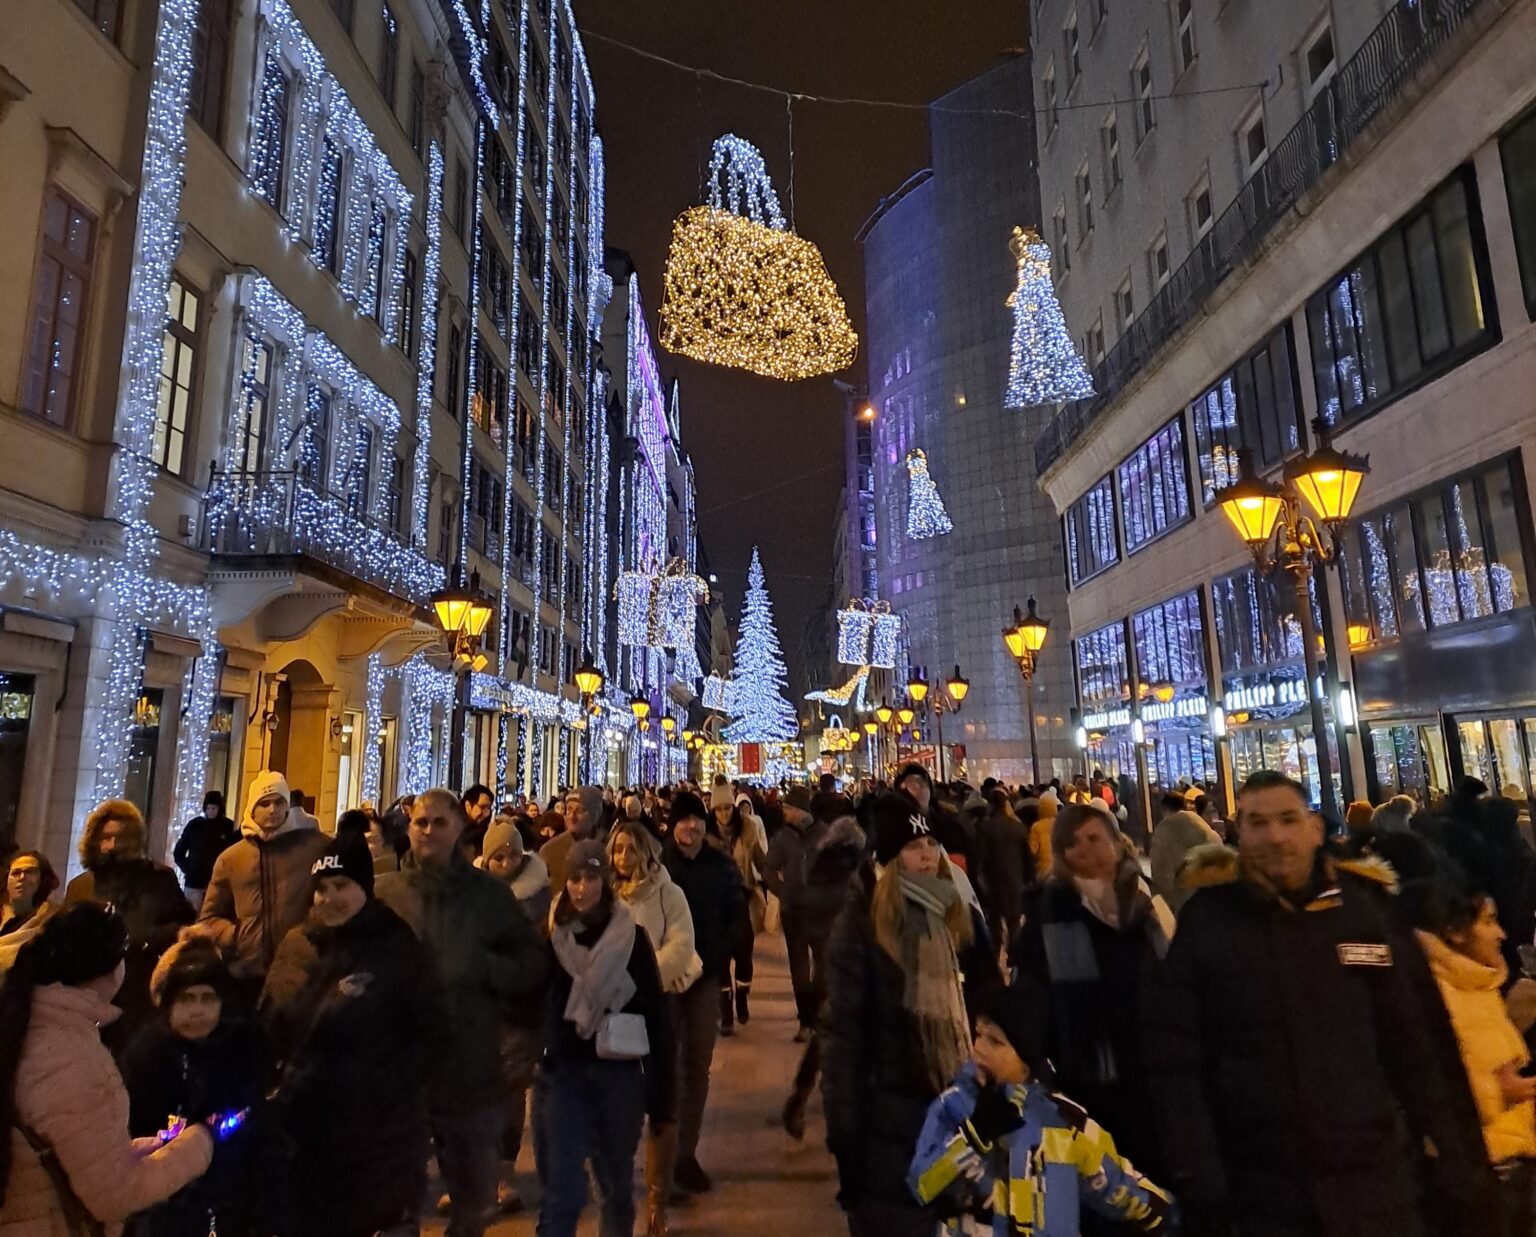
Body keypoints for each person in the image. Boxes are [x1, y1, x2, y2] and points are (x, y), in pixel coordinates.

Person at [1145, 769, 1495, 1237]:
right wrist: (1201, 1178)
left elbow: (1418, 1041)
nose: (1275, 836)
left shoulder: (1363, 912)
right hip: (1261, 1193)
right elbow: (1175, 1058)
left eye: (1288, 819)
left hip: (1374, 1185)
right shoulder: (1209, 923)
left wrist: (1459, 1156)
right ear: (1237, 833)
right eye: (1258, 822)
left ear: (1314, 828)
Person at [821, 792, 998, 1237]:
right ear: (889, 859)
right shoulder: (862, 926)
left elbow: (987, 999)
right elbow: (843, 1040)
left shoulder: (955, 911)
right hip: (889, 1121)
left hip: (955, 1108)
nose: (927, 856)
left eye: (931, 845)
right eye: (913, 848)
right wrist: (846, 1141)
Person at [376, 788, 549, 1237]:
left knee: (473, 1198)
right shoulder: (386, 893)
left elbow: (530, 965)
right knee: (392, 1199)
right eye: (420, 823)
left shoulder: (488, 896)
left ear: (458, 829)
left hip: (469, 1063)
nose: (429, 831)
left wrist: (485, 968)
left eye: (439, 823)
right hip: (400, 1068)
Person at [261, 836, 442, 1237]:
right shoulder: (299, 945)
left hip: (378, 1138)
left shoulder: (395, 946)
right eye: (322, 889)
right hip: (307, 1134)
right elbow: (274, 1027)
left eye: (341, 886)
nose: (329, 898)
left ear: (364, 885)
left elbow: (426, 1033)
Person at [0, 904, 215, 1235]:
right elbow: (115, 1197)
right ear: (113, 968)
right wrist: (199, 1144)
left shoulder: (24, 1026)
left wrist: (122, 1153)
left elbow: (55, 1145)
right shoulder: (71, 1058)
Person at [908, 980, 1175, 1236]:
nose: (979, 1049)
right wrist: (972, 1136)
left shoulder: (1062, 1120)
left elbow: (1119, 1186)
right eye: (978, 1034)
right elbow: (921, 1185)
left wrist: (1174, 1218)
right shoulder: (952, 1105)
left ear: (1025, 1058)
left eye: (996, 1041)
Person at [1012, 802, 1174, 1184]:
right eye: (1073, 843)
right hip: (1084, 1082)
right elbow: (1030, 1001)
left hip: (1154, 1068)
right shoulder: (1049, 911)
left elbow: (1177, 972)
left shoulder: (1147, 901)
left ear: (1118, 843)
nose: (1087, 850)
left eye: (1095, 838)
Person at [540, 839, 676, 1237]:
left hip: (619, 1074)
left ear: (606, 880)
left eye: (592, 878)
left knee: (615, 1184)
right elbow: (532, 997)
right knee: (561, 1190)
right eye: (575, 879)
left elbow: (657, 1016)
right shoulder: (553, 936)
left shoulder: (630, 938)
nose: (582, 888)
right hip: (565, 1073)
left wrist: (663, 1099)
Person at [1409, 883, 1535, 1236]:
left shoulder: (1481, 987)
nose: (1501, 933)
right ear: (1454, 931)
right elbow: (1462, 1093)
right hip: (1481, 1173)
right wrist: (1510, 1091)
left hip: (1511, 1161)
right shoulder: (1442, 997)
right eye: (1489, 921)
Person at [120, 936, 260, 1237]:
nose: (198, 1010)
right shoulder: (148, 1055)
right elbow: (137, 1129)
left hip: (229, 1193)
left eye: (207, 999)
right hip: (166, 1196)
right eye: (186, 999)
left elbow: (250, 1111)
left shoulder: (238, 1047)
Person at [609, 821, 700, 1237]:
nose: (622, 858)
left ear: (646, 852)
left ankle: (656, 1199)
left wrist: (642, 981)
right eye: (617, 850)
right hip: (610, 1010)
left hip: (657, 1008)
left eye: (630, 850)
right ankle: (616, 1196)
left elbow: (680, 945)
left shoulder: (668, 893)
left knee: (661, 1103)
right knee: (616, 1103)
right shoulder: (601, 892)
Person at [661, 792, 744, 1195]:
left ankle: (685, 1153)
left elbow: (737, 916)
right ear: (672, 826)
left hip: (705, 979)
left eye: (696, 820)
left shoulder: (720, 866)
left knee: (696, 1066)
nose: (690, 827)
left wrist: (716, 953)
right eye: (683, 820)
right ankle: (662, 1154)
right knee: (666, 1068)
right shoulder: (658, 866)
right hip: (663, 984)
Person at [65, 799, 193, 1035]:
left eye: (122, 837)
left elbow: (184, 926)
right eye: (106, 838)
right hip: (92, 991)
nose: (113, 845)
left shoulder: (159, 878)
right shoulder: (81, 886)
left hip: (141, 988)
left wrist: (147, 939)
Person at [197, 771, 329, 987]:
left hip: (302, 972)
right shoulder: (231, 859)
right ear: (252, 808)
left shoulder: (315, 847)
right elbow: (209, 918)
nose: (273, 810)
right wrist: (237, 936)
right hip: (246, 975)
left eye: (279, 802)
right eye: (264, 803)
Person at [781, 816, 865, 1141]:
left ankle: (800, 1097)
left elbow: (807, 907)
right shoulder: (854, 873)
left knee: (825, 1036)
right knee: (841, 1043)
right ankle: (831, 1111)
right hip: (849, 963)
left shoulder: (816, 867)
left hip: (827, 962)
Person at [763, 785, 830, 1041]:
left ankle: (819, 1015)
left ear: (801, 811)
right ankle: (807, 1021)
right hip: (795, 912)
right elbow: (769, 868)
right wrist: (783, 891)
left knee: (823, 966)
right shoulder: (783, 838)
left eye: (789, 808)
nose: (784, 812)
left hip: (822, 911)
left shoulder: (825, 834)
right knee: (800, 968)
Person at [710, 787, 767, 1033]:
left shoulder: (748, 830)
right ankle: (726, 1014)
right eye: (718, 809)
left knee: (744, 957)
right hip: (716, 904)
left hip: (742, 900)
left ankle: (742, 997)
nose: (723, 813)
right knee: (720, 961)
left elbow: (761, 861)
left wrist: (778, 884)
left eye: (726, 808)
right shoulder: (707, 835)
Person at [975, 788, 1032, 950]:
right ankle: (1014, 955)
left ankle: (996, 952)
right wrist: (1029, 879)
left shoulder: (986, 827)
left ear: (991, 805)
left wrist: (980, 879)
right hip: (1015, 880)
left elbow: (981, 856)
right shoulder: (1017, 826)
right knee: (1014, 922)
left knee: (994, 921)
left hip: (993, 881)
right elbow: (1027, 857)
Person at [1148, 799, 1223, 916]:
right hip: (1217, 903)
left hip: (1186, 908)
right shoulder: (1206, 829)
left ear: (1165, 810)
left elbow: (1162, 878)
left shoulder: (1165, 831)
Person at [172, 792, 237, 913]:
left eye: (214, 808)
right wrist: (189, 869)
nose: (211, 811)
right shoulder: (195, 825)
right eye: (208, 808)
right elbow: (179, 852)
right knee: (191, 918)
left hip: (217, 883)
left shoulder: (227, 827)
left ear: (220, 808)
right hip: (194, 883)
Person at [1, 852, 59, 971]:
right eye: (16, 873)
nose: (22, 877)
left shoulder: (54, 918)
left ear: (43, 879)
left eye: (30, 872)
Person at [541, 786, 605, 896]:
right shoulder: (550, 851)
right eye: (569, 809)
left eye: (580, 810)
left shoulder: (609, 847)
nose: (572, 816)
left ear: (595, 814)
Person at [460, 783, 496, 860]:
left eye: (488, 808)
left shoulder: (485, 830)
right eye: (482, 807)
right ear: (468, 806)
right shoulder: (452, 826)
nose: (486, 813)